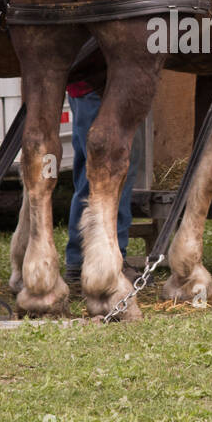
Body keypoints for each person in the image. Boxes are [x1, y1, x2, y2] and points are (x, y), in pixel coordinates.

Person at [64, 81, 142, 286]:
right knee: (113, 172)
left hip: (85, 89)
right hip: (103, 89)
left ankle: (78, 259)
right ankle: (110, 258)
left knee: (88, 171)